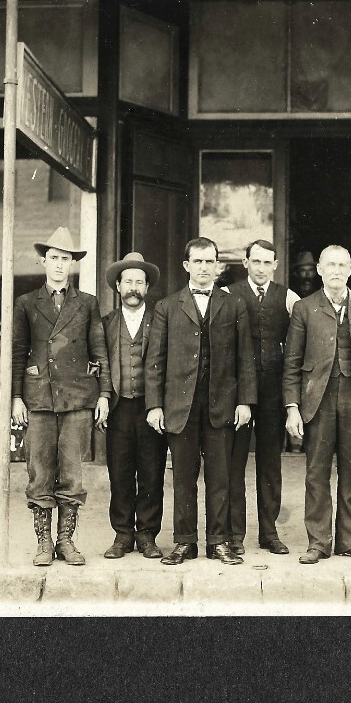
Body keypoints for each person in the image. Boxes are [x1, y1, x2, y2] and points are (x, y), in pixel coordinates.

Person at [145, 237, 257, 565]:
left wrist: (245, 402)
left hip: (221, 404)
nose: (204, 268)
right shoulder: (167, 307)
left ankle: (218, 541)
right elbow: (156, 360)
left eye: (210, 262)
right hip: (181, 406)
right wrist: (154, 405)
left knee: (220, 477)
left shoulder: (233, 304)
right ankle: (184, 542)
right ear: (186, 266)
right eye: (198, 262)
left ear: (218, 266)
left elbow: (244, 358)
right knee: (183, 477)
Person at [9, 226, 110, 567]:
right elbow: (17, 352)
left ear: (72, 264)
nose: (58, 265)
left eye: (65, 259)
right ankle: (43, 542)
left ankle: (66, 541)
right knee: (39, 471)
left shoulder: (88, 304)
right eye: (53, 258)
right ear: (43, 262)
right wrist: (15, 398)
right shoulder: (26, 303)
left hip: (78, 399)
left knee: (72, 473)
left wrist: (104, 394)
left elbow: (100, 351)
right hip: (38, 400)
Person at [283, 245, 351, 563]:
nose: (336, 271)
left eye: (342, 265)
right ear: (320, 270)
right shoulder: (304, 309)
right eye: (330, 265)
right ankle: (318, 542)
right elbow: (292, 362)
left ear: (350, 270)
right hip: (318, 399)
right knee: (316, 472)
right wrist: (293, 407)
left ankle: (348, 540)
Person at [222, 239, 300, 555]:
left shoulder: (288, 297)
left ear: (275, 265)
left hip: (272, 392)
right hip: (238, 392)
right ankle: (235, 533)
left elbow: (300, 340)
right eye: (256, 261)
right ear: (246, 262)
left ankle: (269, 532)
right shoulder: (228, 295)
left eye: (268, 263)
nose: (262, 268)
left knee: (270, 463)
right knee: (235, 462)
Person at [100, 251, 166, 560]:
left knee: (152, 473)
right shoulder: (106, 324)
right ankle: (123, 534)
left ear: (147, 288)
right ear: (117, 286)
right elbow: (99, 365)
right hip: (119, 408)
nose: (133, 288)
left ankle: (148, 535)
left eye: (139, 282)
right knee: (120, 473)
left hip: (152, 408)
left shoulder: (160, 321)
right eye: (128, 281)